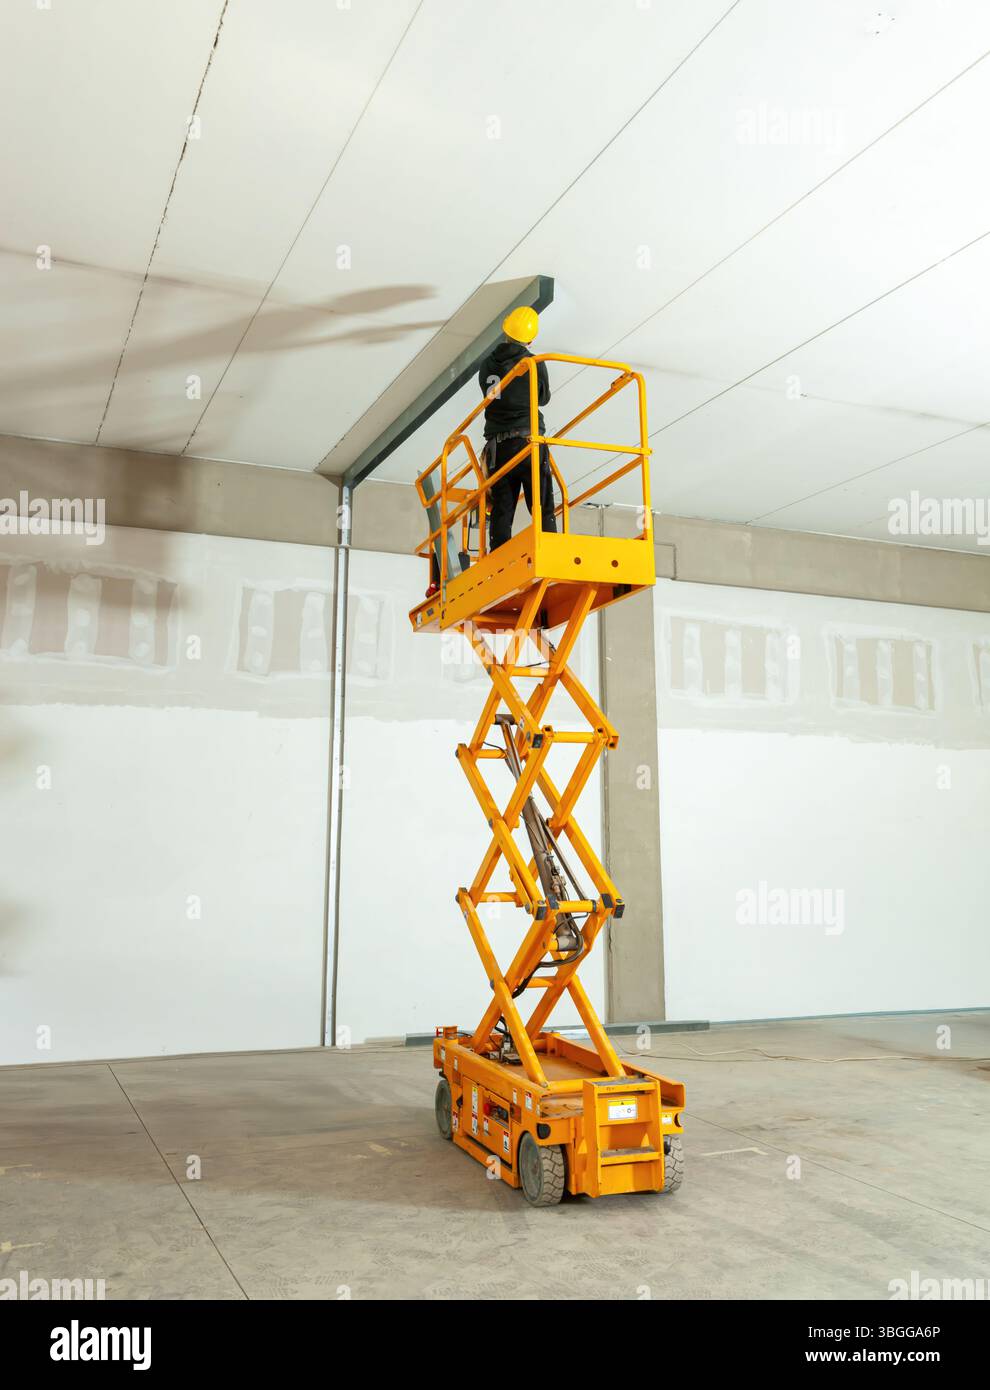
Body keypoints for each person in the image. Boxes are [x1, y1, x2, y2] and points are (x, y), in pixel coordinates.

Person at [478, 307, 557, 551]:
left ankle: (499, 556)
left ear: (505, 329)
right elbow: (543, 398)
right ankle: (550, 547)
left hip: (498, 447)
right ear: (531, 339)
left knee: (503, 504)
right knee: (541, 500)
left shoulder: (487, 365)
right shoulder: (533, 363)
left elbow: (492, 395)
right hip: (529, 441)